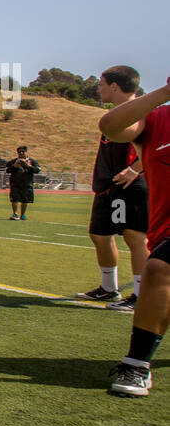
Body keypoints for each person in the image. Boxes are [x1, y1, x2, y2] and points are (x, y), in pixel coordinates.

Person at [97, 70, 170, 397]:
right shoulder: (156, 119)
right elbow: (110, 126)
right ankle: (138, 364)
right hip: (166, 229)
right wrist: (162, 94)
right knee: (159, 268)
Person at [76, 67, 149, 313]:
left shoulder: (142, 111)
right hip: (108, 186)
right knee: (99, 235)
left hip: (131, 185)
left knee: (134, 237)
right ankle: (109, 288)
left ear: (115, 86)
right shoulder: (116, 114)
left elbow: (154, 146)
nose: (99, 88)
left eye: (102, 84)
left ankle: (142, 296)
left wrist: (135, 169)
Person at [5, 145, 41, 220]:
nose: (21, 153)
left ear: (26, 152)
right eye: (19, 152)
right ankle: (15, 213)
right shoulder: (13, 161)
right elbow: (7, 170)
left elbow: (37, 170)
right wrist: (14, 166)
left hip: (27, 183)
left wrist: (28, 166)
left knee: (25, 200)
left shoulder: (32, 161)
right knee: (14, 199)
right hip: (15, 183)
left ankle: (23, 215)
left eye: (23, 152)